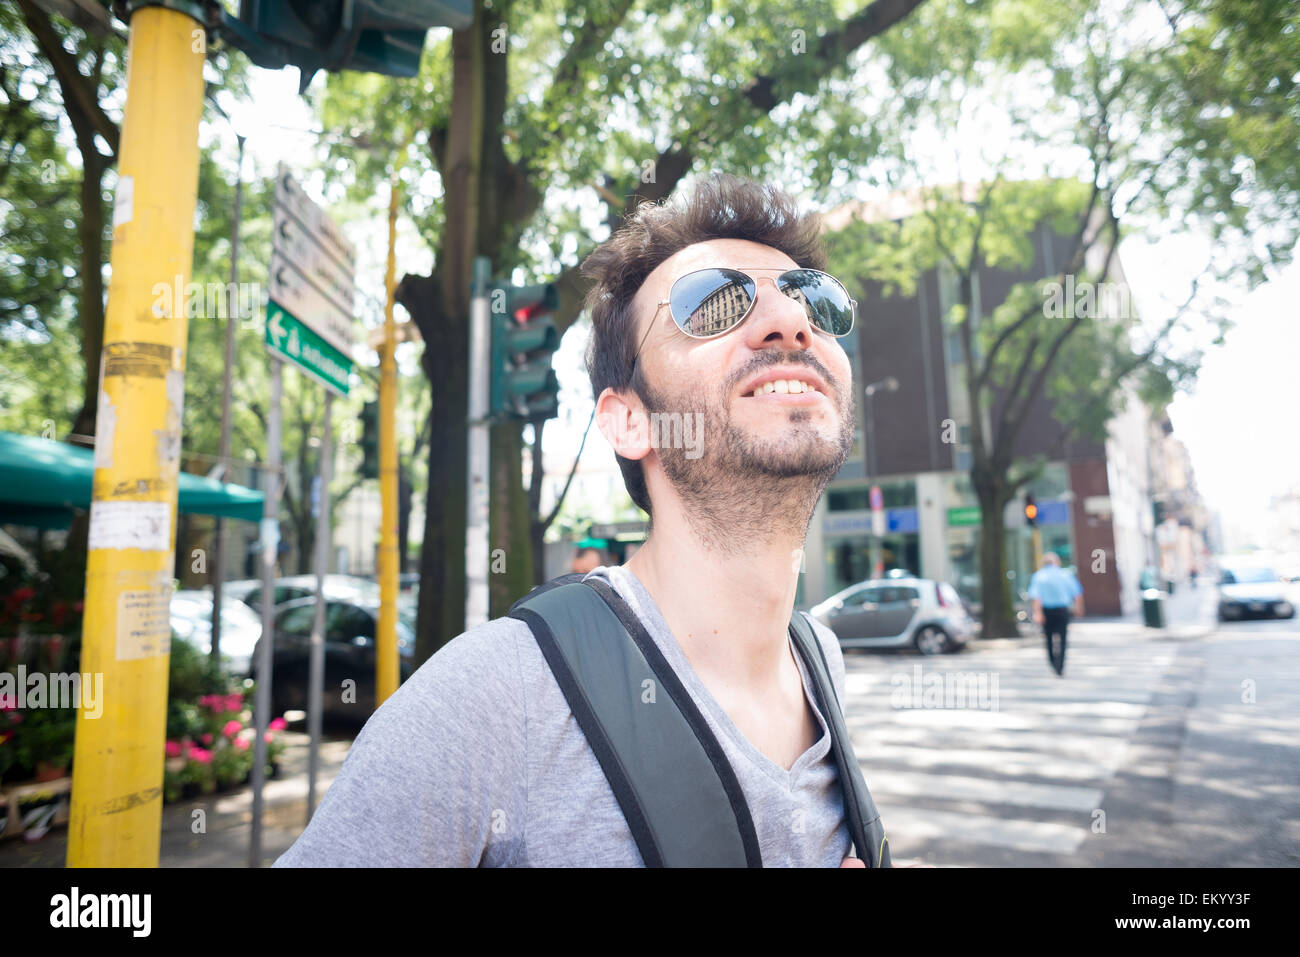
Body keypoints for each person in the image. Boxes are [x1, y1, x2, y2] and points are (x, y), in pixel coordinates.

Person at [273, 175, 884, 867]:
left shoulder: (819, 661)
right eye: (713, 305)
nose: (790, 322)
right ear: (628, 418)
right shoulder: (497, 694)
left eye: (813, 300)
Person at [1027, 552, 1084, 676]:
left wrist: (1038, 613)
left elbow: (1036, 598)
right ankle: (1061, 666)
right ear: (1057, 562)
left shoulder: (1038, 576)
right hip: (1062, 610)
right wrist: (1079, 608)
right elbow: (1077, 593)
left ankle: (1053, 662)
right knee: (1063, 638)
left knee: (1048, 638)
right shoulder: (1065, 574)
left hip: (1046, 611)